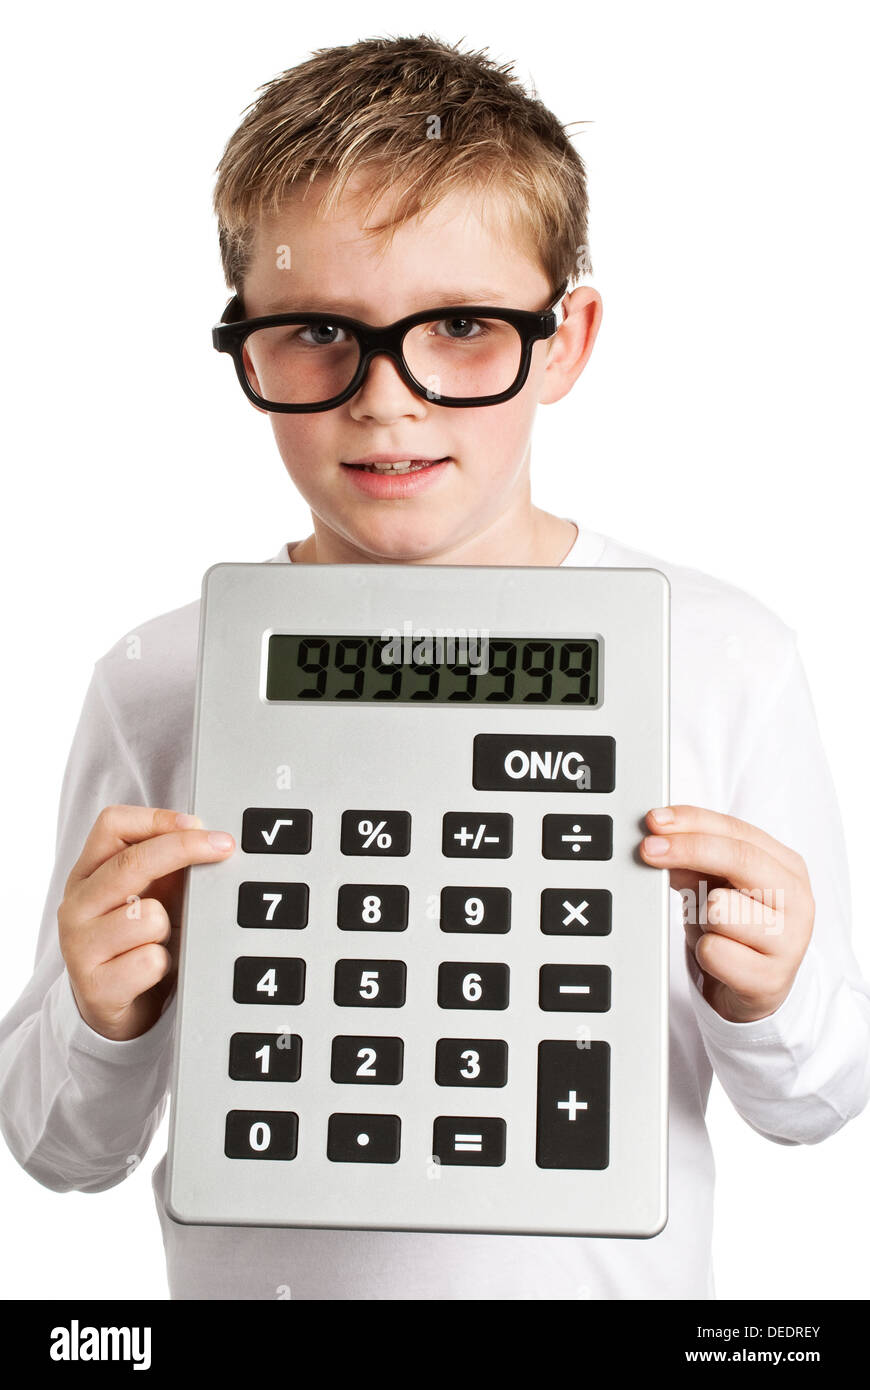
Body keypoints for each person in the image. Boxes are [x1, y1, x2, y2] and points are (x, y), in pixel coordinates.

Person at [1, 33, 868, 1301]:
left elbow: (819, 1103)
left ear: (564, 339)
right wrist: (106, 1015)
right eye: (315, 332)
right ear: (248, 341)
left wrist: (771, 993)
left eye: (461, 325)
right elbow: (56, 1147)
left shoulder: (725, 655)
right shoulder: (159, 679)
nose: (386, 401)